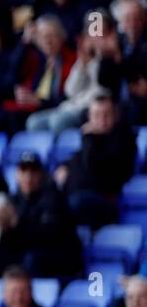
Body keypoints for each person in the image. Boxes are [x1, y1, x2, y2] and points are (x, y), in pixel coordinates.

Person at [54, 94, 137, 227]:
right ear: (89, 118)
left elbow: (94, 168)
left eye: (107, 115)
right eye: (97, 115)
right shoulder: (93, 140)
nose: (102, 120)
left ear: (115, 116)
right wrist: (65, 167)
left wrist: (88, 138)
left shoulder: (124, 140)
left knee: (71, 205)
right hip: (76, 196)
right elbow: (78, 158)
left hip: (103, 201)